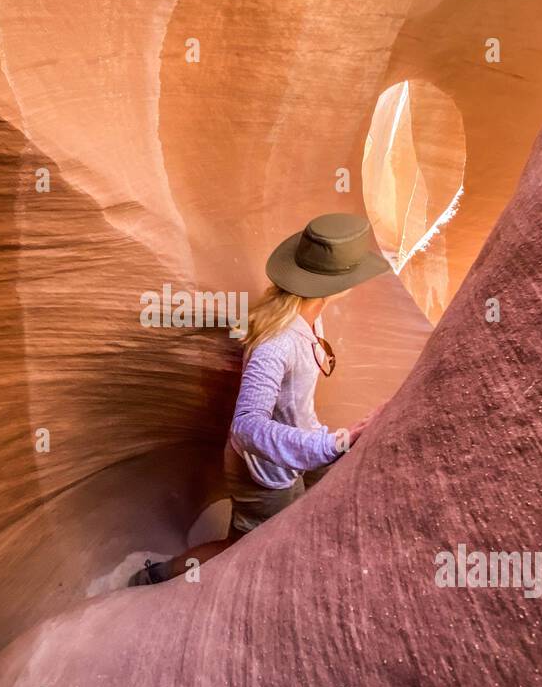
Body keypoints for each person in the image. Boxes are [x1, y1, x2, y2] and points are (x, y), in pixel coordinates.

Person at [130, 213, 389, 586]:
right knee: (241, 548)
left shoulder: (309, 315)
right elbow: (247, 425)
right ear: (334, 285)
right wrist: (330, 443)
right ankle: (157, 577)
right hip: (262, 471)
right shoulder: (278, 342)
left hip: (294, 448)